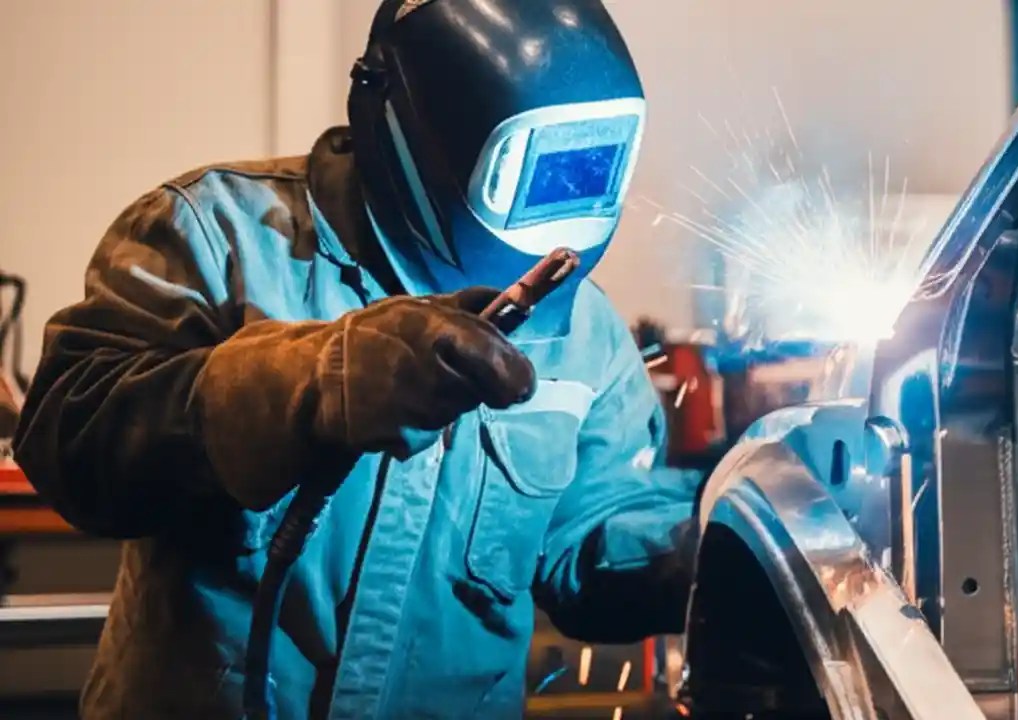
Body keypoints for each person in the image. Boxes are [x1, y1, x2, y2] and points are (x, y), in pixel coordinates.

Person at [14, 1, 701, 717]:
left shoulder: (585, 332)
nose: (558, 205)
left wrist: (708, 553)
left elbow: (588, 544)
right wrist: (309, 380)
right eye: (536, 169)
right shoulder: (222, 235)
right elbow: (70, 434)